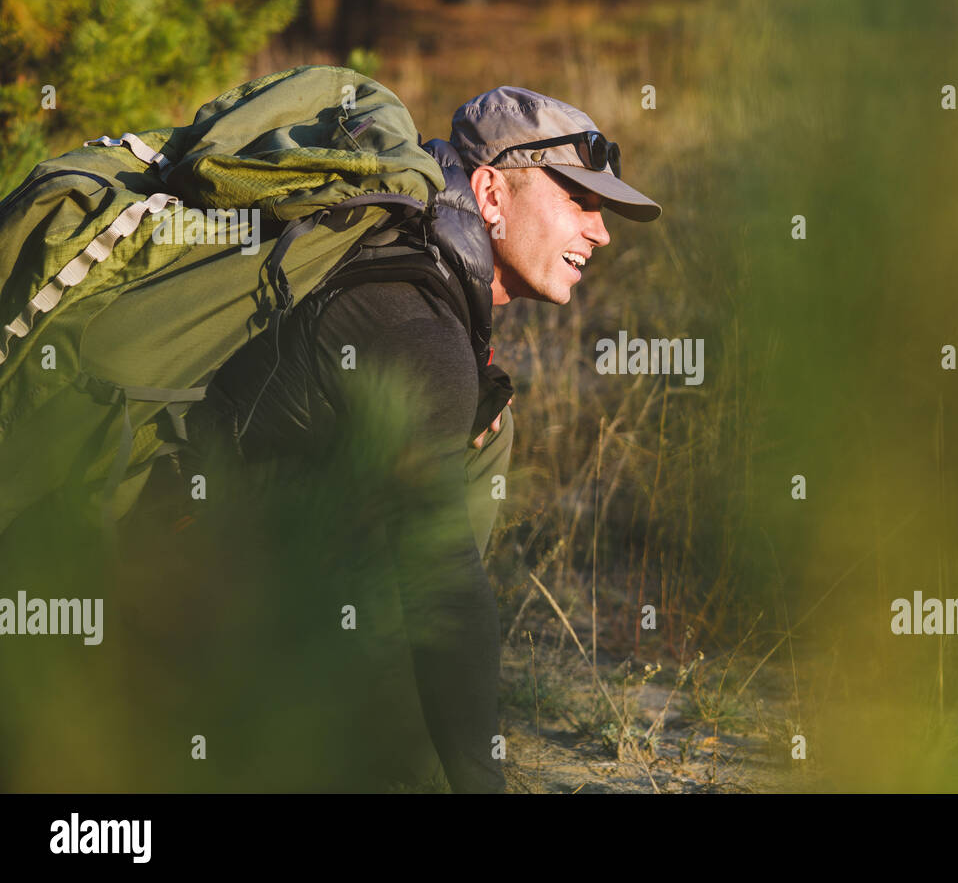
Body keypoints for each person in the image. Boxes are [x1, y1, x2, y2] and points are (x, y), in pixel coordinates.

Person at [165, 86, 662, 793]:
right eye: (579, 203)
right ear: (490, 194)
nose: (601, 231)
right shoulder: (417, 327)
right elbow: (447, 592)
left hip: (222, 556)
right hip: (177, 611)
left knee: (488, 425)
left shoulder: (406, 258)